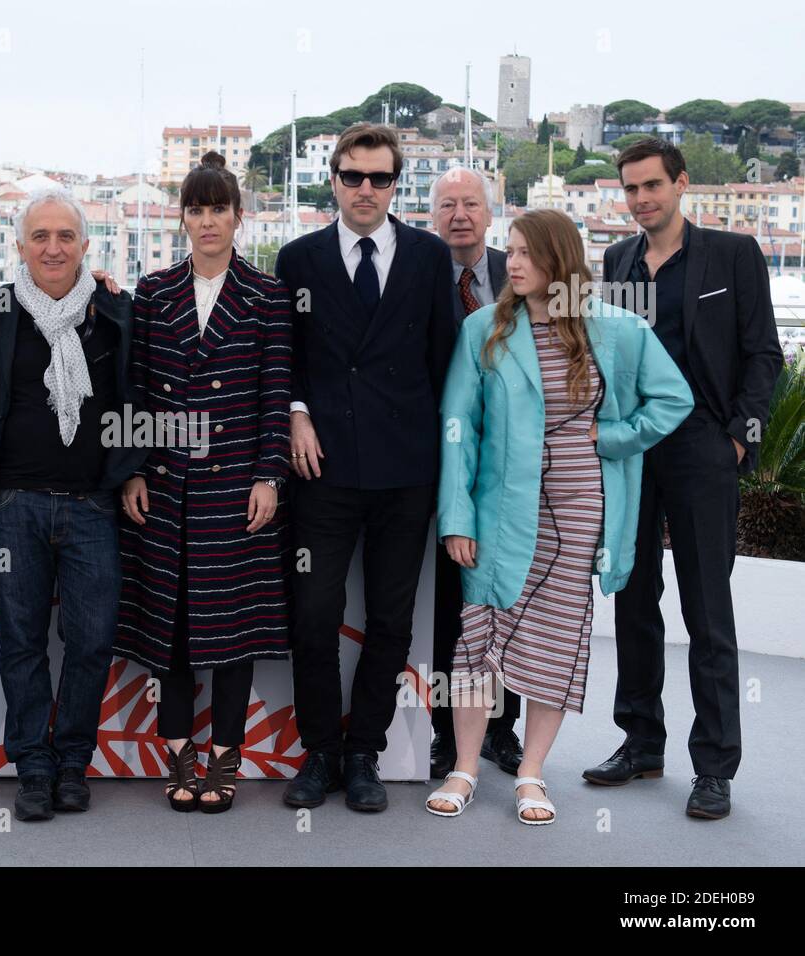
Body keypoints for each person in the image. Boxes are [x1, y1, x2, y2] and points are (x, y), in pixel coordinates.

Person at [428, 209, 692, 824]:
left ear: (559, 260)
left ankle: (531, 774)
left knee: (555, 642)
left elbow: (673, 398)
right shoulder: (483, 329)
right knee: (478, 639)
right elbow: (459, 428)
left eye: (526, 253)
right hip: (498, 515)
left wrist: (613, 436)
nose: (512, 263)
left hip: (579, 517)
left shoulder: (617, 330)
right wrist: (457, 517)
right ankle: (464, 769)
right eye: (511, 251)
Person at [583, 138, 784, 820]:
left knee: (707, 609)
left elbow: (764, 354)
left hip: (703, 448)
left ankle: (715, 767)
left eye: (652, 186)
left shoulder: (733, 255)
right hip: (632, 449)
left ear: (680, 184)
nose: (641, 199)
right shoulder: (618, 260)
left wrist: (737, 440)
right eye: (631, 188)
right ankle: (641, 742)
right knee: (633, 598)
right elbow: (610, 358)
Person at [276, 123, 455, 812]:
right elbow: (283, 356)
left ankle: (363, 755)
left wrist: (446, 462)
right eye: (353, 176)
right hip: (321, 470)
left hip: (405, 470)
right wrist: (295, 412)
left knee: (390, 620)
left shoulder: (429, 256)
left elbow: (443, 361)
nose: (366, 189)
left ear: (395, 185)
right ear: (334, 181)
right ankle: (320, 751)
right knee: (313, 615)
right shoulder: (298, 259)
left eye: (380, 178)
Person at [115, 152, 291, 813]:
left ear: (239, 217)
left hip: (236, 481)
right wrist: (133, 469)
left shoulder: (268, 295)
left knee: (233, 626)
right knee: (173, 621)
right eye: (196, 208)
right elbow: (134, 389)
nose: (208, 220)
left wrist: (269, 475)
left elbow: (276, 394)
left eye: (219, 208)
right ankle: (178, 750)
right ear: (182, 218)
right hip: (165, 483)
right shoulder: (153, 291)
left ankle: (225, 754)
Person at [0, 189, 143, 821]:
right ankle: (34, 768)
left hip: (93, 506)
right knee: (22, 642)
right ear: (19, 246)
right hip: (14, 506)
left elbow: (135, 396)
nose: (53, 248)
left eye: (65, 236)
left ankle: (72, 762)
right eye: (39, 236)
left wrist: (130, 471)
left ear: (86, 245)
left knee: (91, 642)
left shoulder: (116, 311)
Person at [427, 166, 523, 779]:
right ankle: (444, 731)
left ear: (490, 215)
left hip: (510, 467)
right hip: (439, 458)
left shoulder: (520, 277)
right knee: (448, 604)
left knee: (507, 599)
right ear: (431, 215)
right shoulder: (416, 275)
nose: (459, 215)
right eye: (447, 205)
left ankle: (502, 730)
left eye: (470, 204)